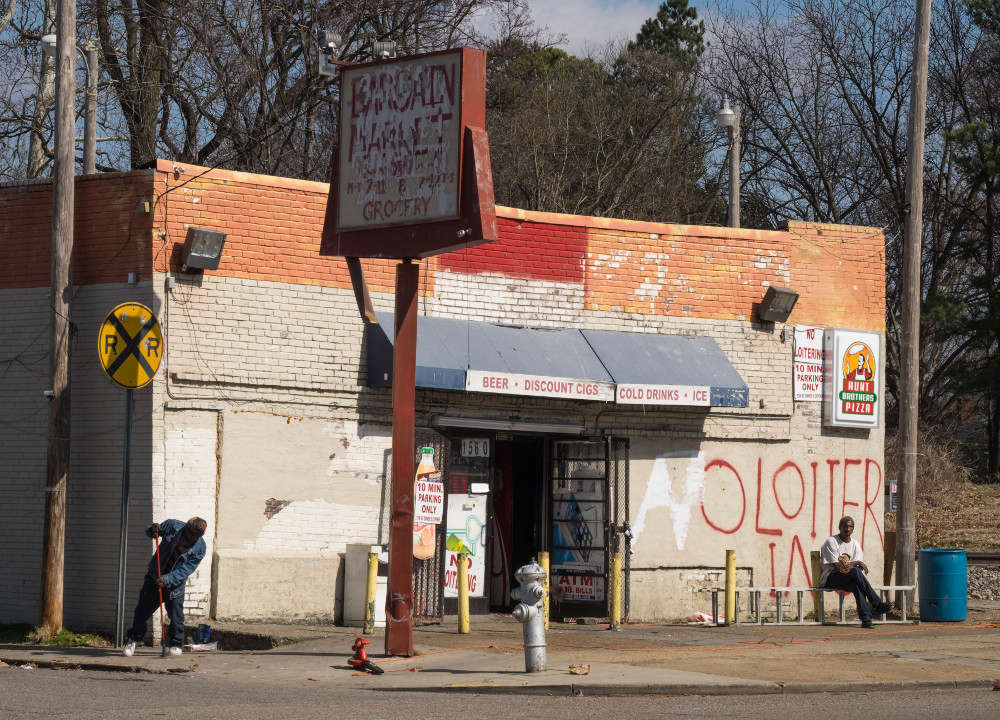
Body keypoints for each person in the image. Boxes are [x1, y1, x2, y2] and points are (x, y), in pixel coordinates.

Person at [122, 517, 207, 657]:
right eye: (187, 531)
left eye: (192, 535)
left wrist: (168, 579)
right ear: (186, 527)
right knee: (142, 611)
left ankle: (175, 644)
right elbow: (152, 532)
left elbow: (186, 569)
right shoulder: (173, 526)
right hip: (154, 577)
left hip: (175, 585)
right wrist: (153, 529)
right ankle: (133, 639)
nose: (188, 536)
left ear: (198, 536)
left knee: (176, 615)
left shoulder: (200, 548)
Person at [819, 516, 890, 628]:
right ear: (839, 527)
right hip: (830, 578)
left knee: (856, 584)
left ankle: (866, 619)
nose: (847, 529)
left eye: (850, 527)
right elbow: (838, 566)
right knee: (856, 571)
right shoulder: (831, 542)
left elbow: (854, 567)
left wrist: (855, 564)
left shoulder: (855, 544)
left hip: (848, 578)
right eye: (845, 526)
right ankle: (876, 603)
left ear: (853, 528)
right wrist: (856, 562)